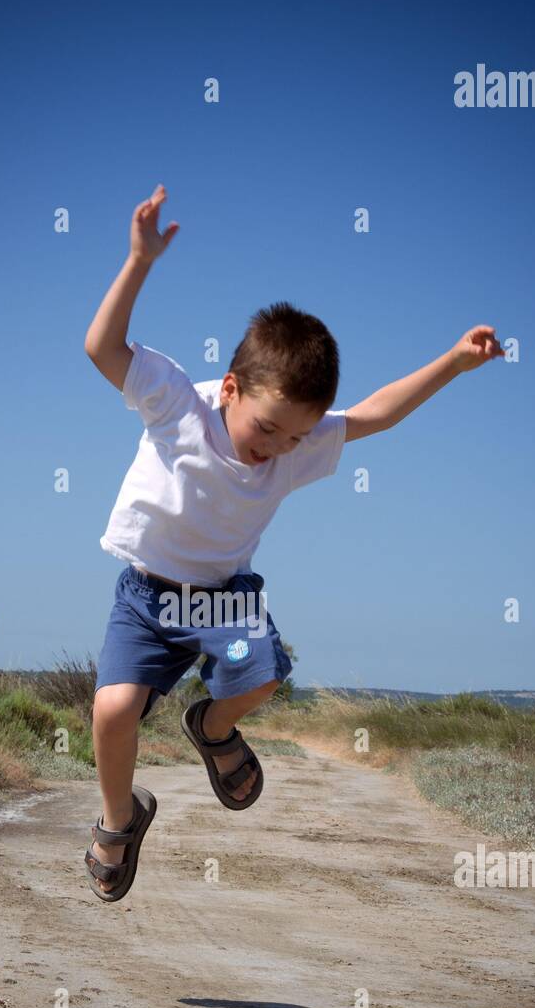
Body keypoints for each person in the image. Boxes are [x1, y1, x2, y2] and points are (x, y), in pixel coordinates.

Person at [83, 184, 503, 900]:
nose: (277, 447)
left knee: (263, 675)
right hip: (147, 599)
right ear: (230, 389)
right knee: (113, 711)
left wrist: (452, 362)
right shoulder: (176, 403)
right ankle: (120, 820)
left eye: (295, 437)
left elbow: (375, 415)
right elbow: (103, 347)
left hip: (222, 604)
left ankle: (212, 727)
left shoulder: (296, 447)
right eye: (267, 428)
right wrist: (138, 262)